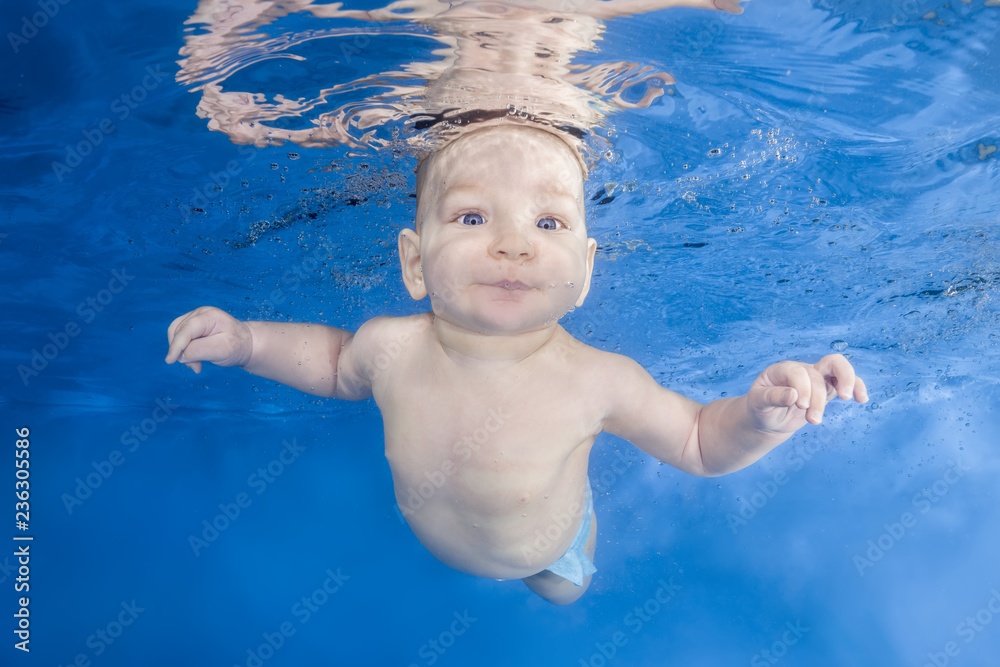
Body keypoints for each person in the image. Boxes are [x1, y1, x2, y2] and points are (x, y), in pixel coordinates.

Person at [165, 123, 869, 605]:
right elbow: (332, 362)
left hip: (547, 551)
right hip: (442, 536)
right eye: (473, 218)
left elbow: (698, 443)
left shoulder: (599, 379)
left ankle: (579, 521)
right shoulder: (388, 345)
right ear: (414, 261)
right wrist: (247, 342)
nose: (513, 244)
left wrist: (759, 417)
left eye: (549, 222)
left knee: (565, 590)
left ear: (586, 273)